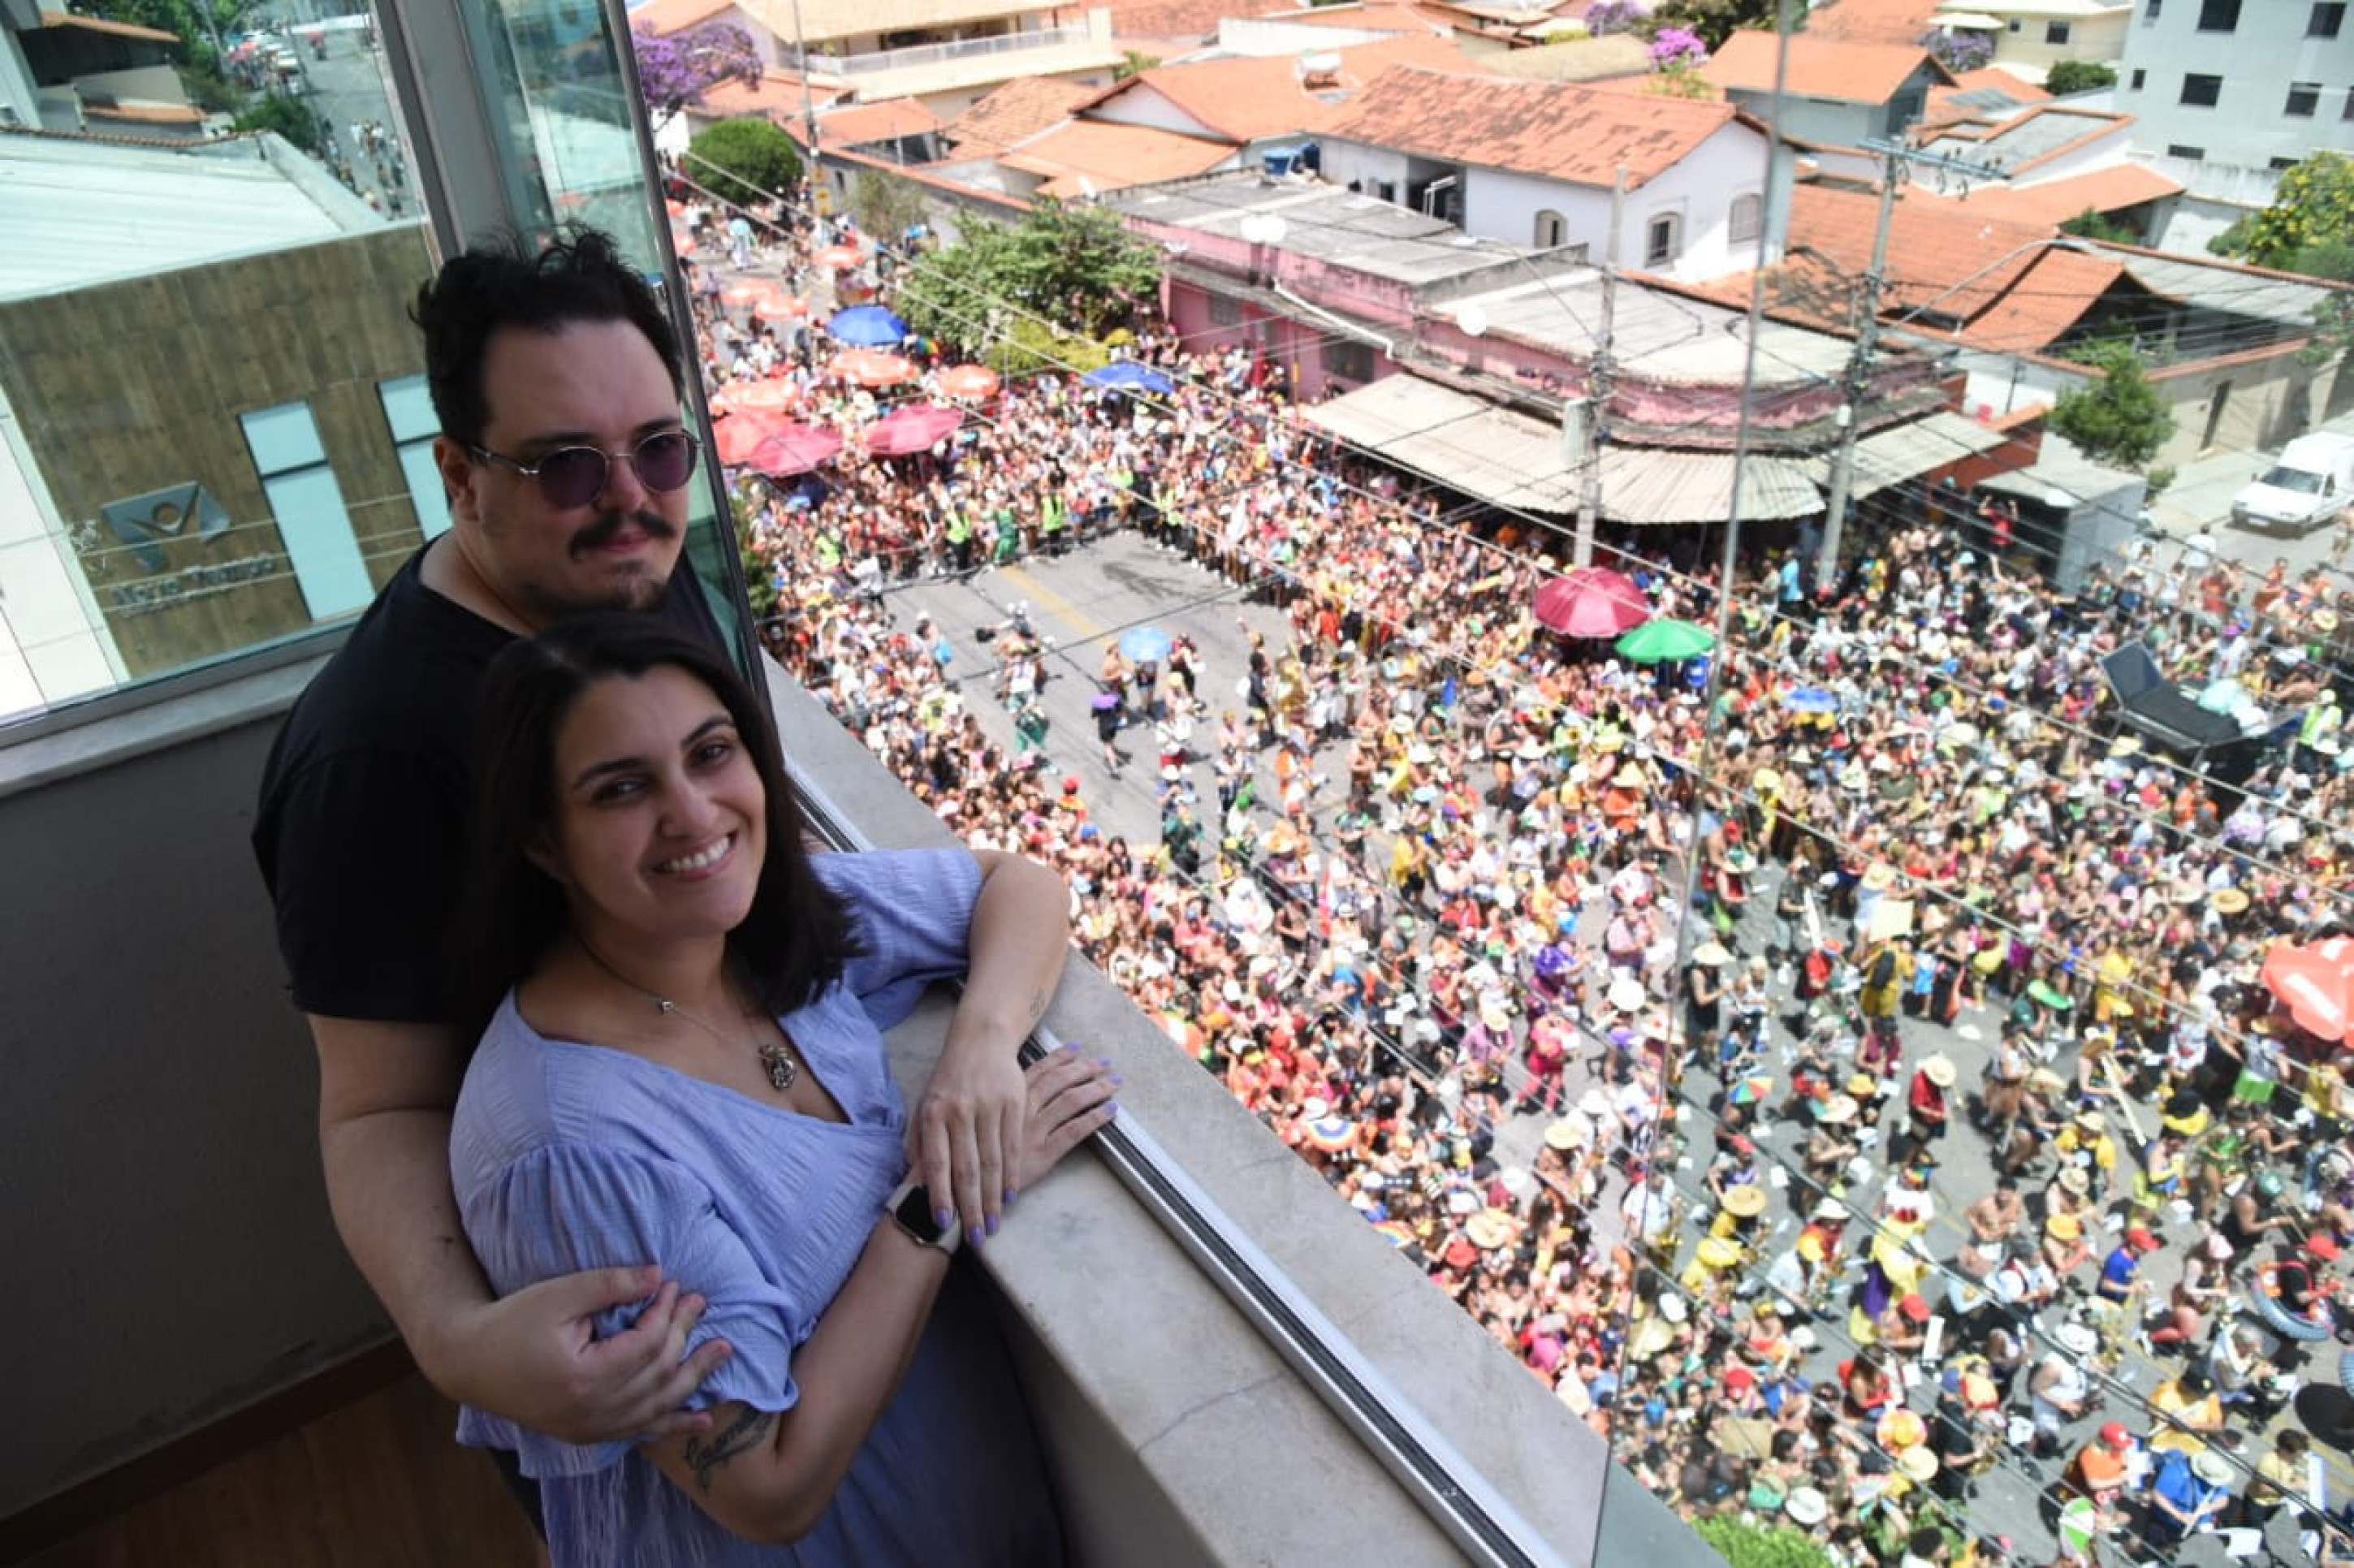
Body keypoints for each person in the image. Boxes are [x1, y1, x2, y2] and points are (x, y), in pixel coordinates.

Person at [252, 231, 1044, 1521]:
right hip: (584, 1265)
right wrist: (460, 1339)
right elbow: (374, 1107)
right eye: (565, 464)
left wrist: (984, 1047)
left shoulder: (647, 587)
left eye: (660, 449)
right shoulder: (373, 755)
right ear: (459, 474)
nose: (629, 497)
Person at [447, 616, 1113, 1562]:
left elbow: (1019, 885)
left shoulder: (758, 927)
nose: (692, 813)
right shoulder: (571, 1152)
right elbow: (765, 1484)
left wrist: (981, 1049)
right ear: (545, 844)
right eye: (623, 787)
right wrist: (935, 1199)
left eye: (710, 753)